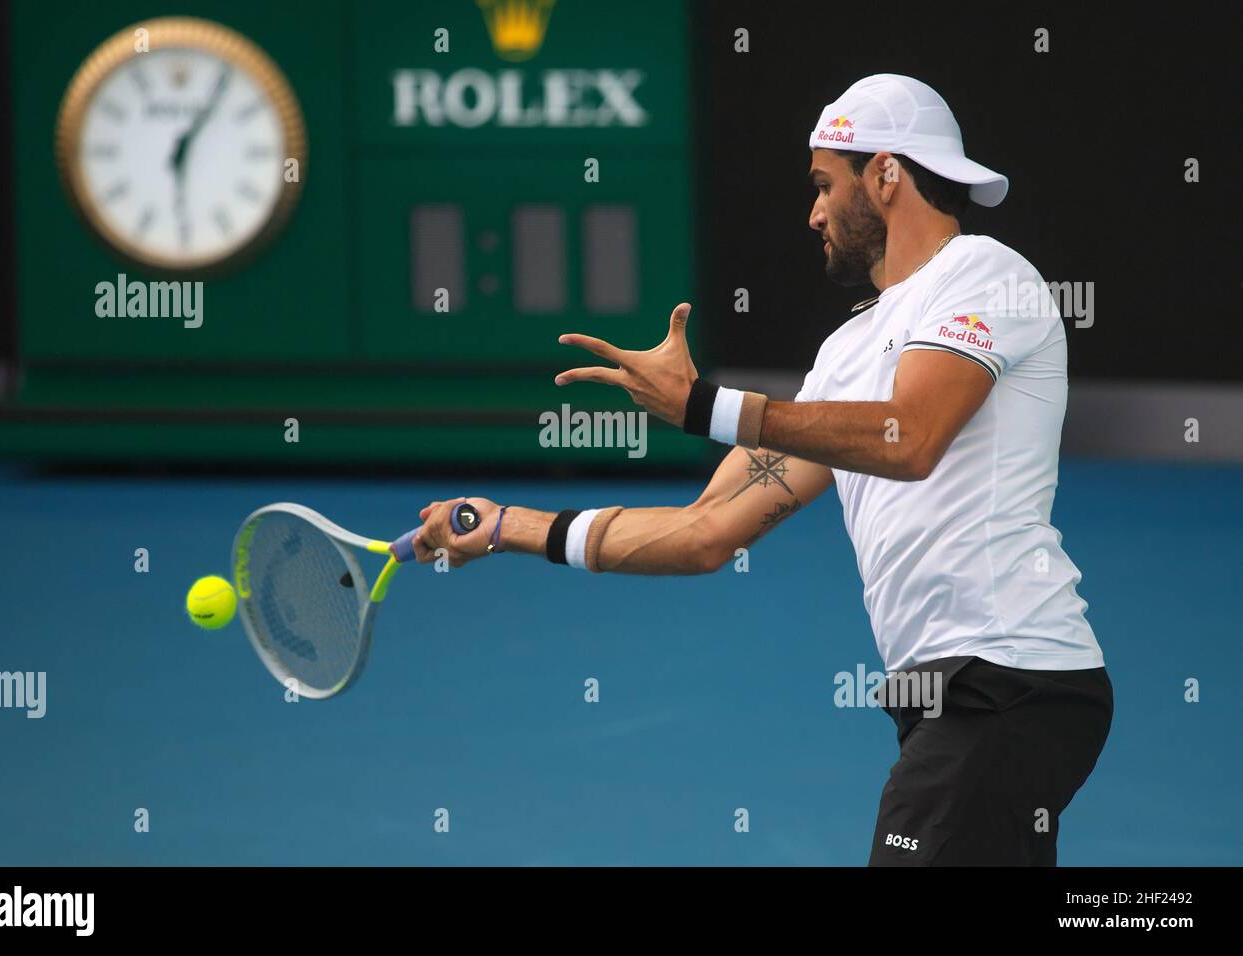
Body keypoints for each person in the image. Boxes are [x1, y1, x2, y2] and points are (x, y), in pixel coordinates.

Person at [411, 74, 1113, 866]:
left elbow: (910, 438)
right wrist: (509, 527)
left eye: (823, 184)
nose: (812, 212)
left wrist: (704, 406)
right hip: (951, 697)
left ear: (885, 175)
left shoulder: (989, 276)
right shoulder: (847, 354)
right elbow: (706, 531)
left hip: (1011, 678)